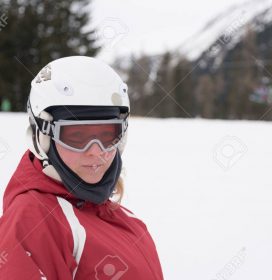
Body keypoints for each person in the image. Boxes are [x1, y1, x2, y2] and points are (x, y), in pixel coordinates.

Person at [0, 56, 164, 279]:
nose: (96, 152)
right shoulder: (34, 219)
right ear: (44, 136)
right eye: (77, 136)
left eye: (108, 135)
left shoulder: (117, 215)